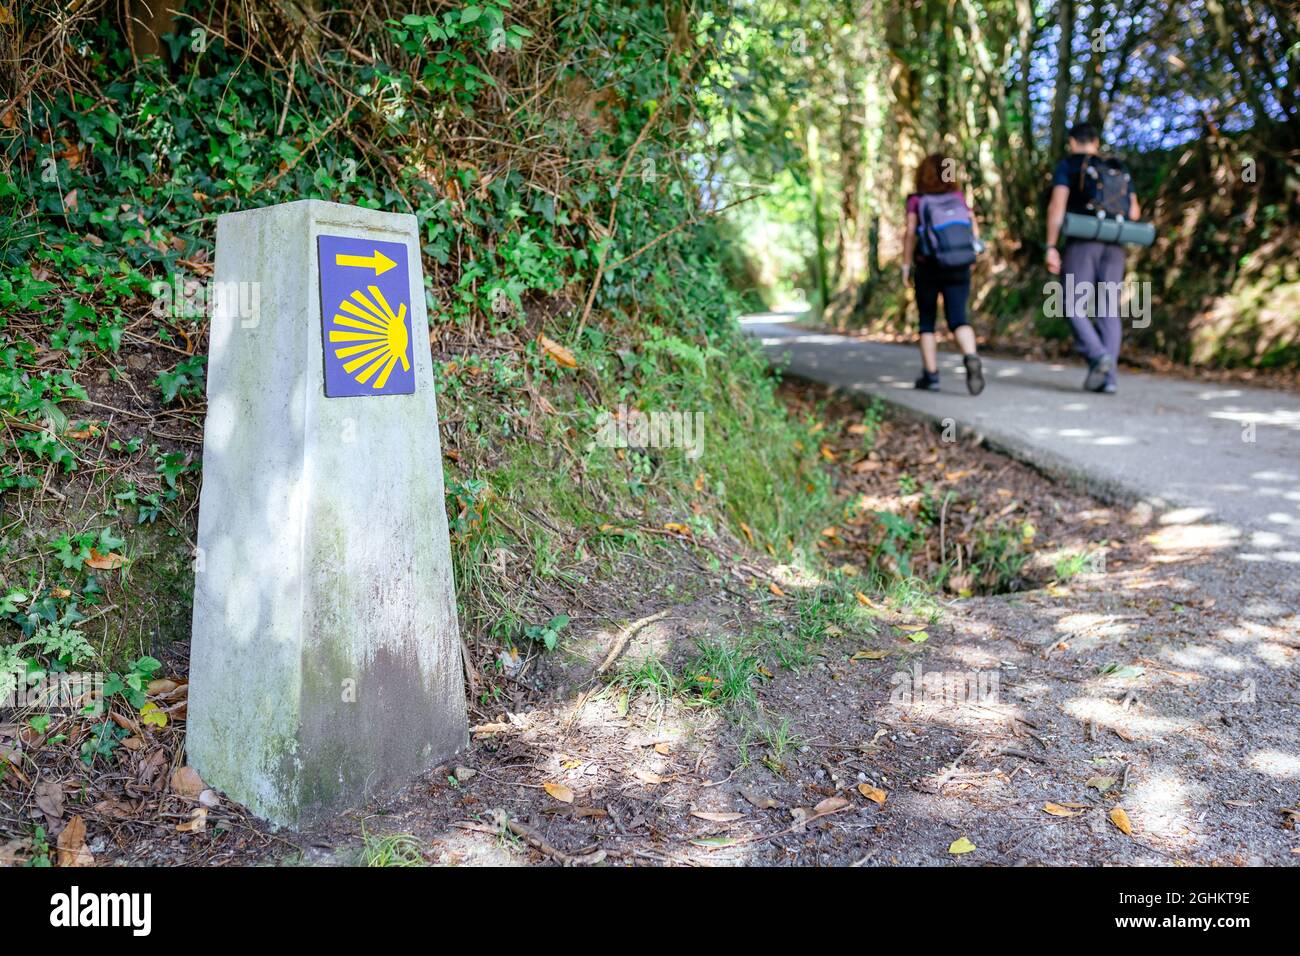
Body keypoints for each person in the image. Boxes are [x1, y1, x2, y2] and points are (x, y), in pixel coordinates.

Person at [1045, 122, 1141, 394]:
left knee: (1071, 303)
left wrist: (1051, 245)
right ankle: (1108, 379)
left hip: (1083, 241)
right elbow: (1134, 212)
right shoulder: (1117, 167)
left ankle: (1098, 357)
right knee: (1108, 310)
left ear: (1073, 142)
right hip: (1115, 243)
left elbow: (1057, 206)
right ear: (1096, 141)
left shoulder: (1070, 165)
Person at [902, 154, 984, 395]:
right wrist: (972, 254)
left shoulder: (917, 200)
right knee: (959, 318)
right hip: (959, 264)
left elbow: (909, 233)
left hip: (928, 264)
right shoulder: (957, 197)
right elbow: (973, 227)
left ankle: (931, 376)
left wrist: (906, 265)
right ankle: (971, 357)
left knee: (927, 321)